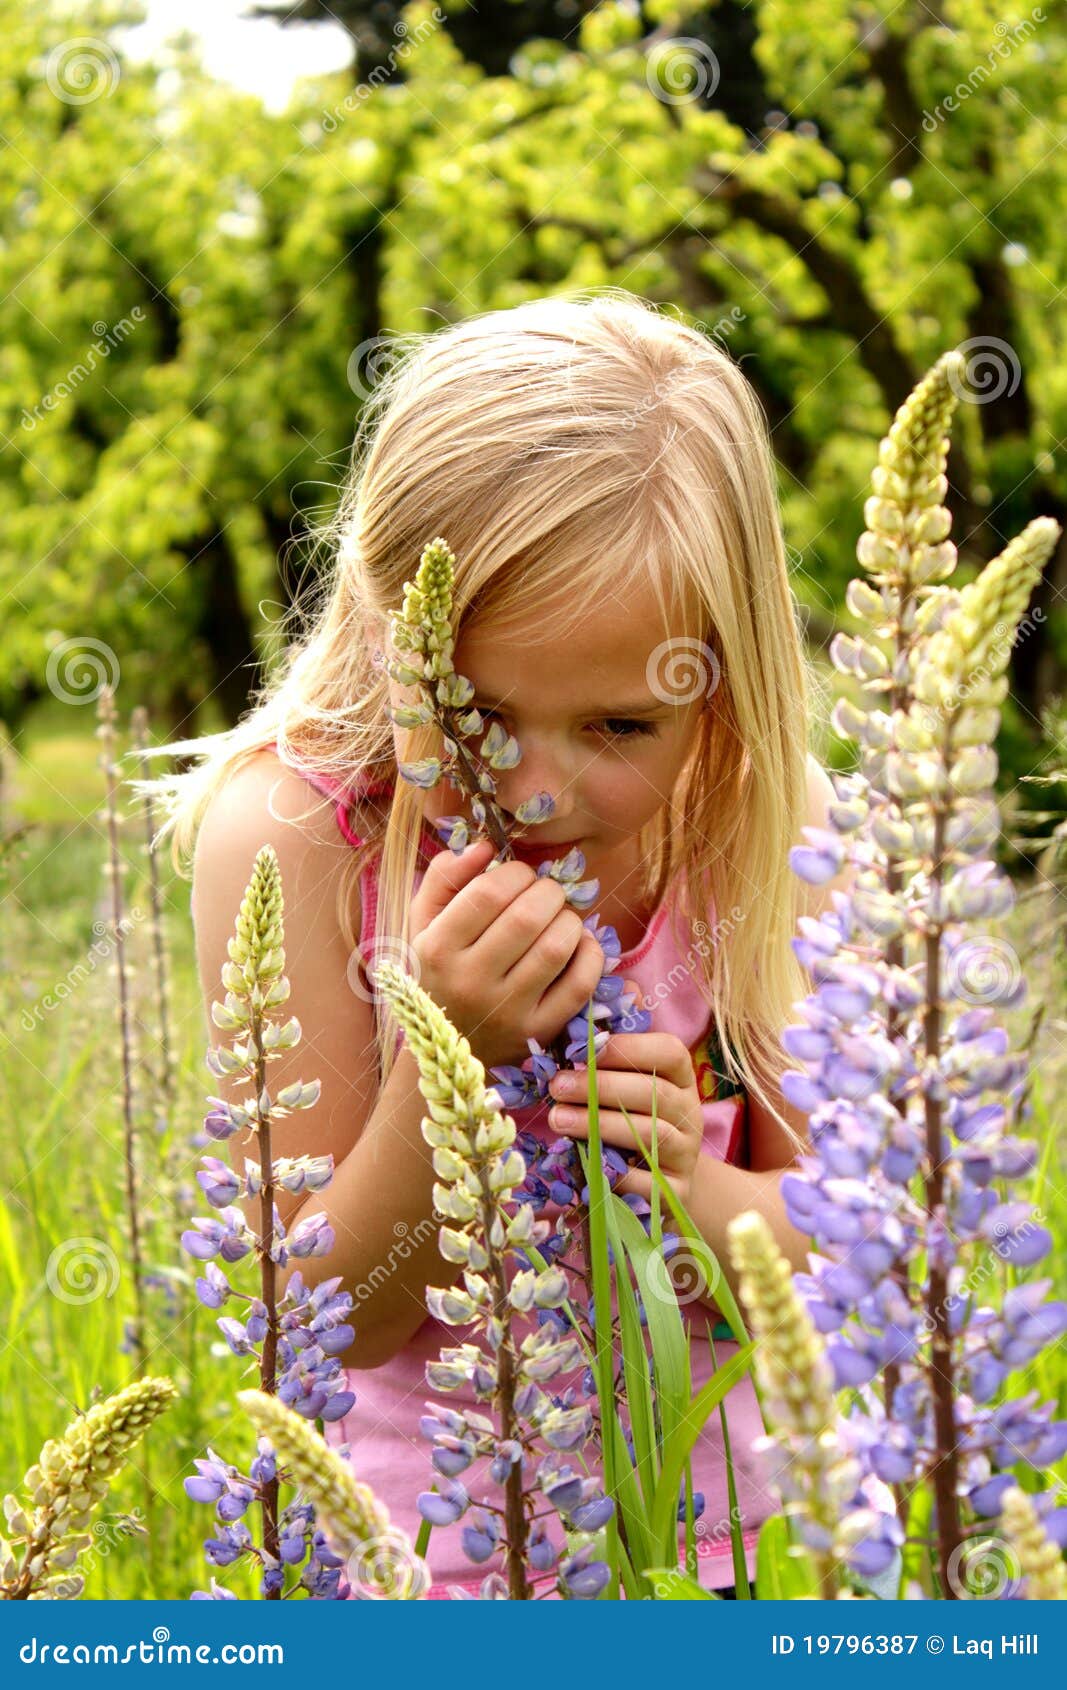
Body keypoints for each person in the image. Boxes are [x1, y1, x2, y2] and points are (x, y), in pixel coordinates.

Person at [142, 288, 849, 1598]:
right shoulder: (298, 833)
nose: (531, 787)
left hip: (706, 1560)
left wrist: (688, 1191)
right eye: (472, 712)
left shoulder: (762, 826)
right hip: (419, 1570)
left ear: (725, 685)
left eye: (621, 727)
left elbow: (846, 1270)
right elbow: (321, 1316)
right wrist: (448, 1068)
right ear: (374, 626)